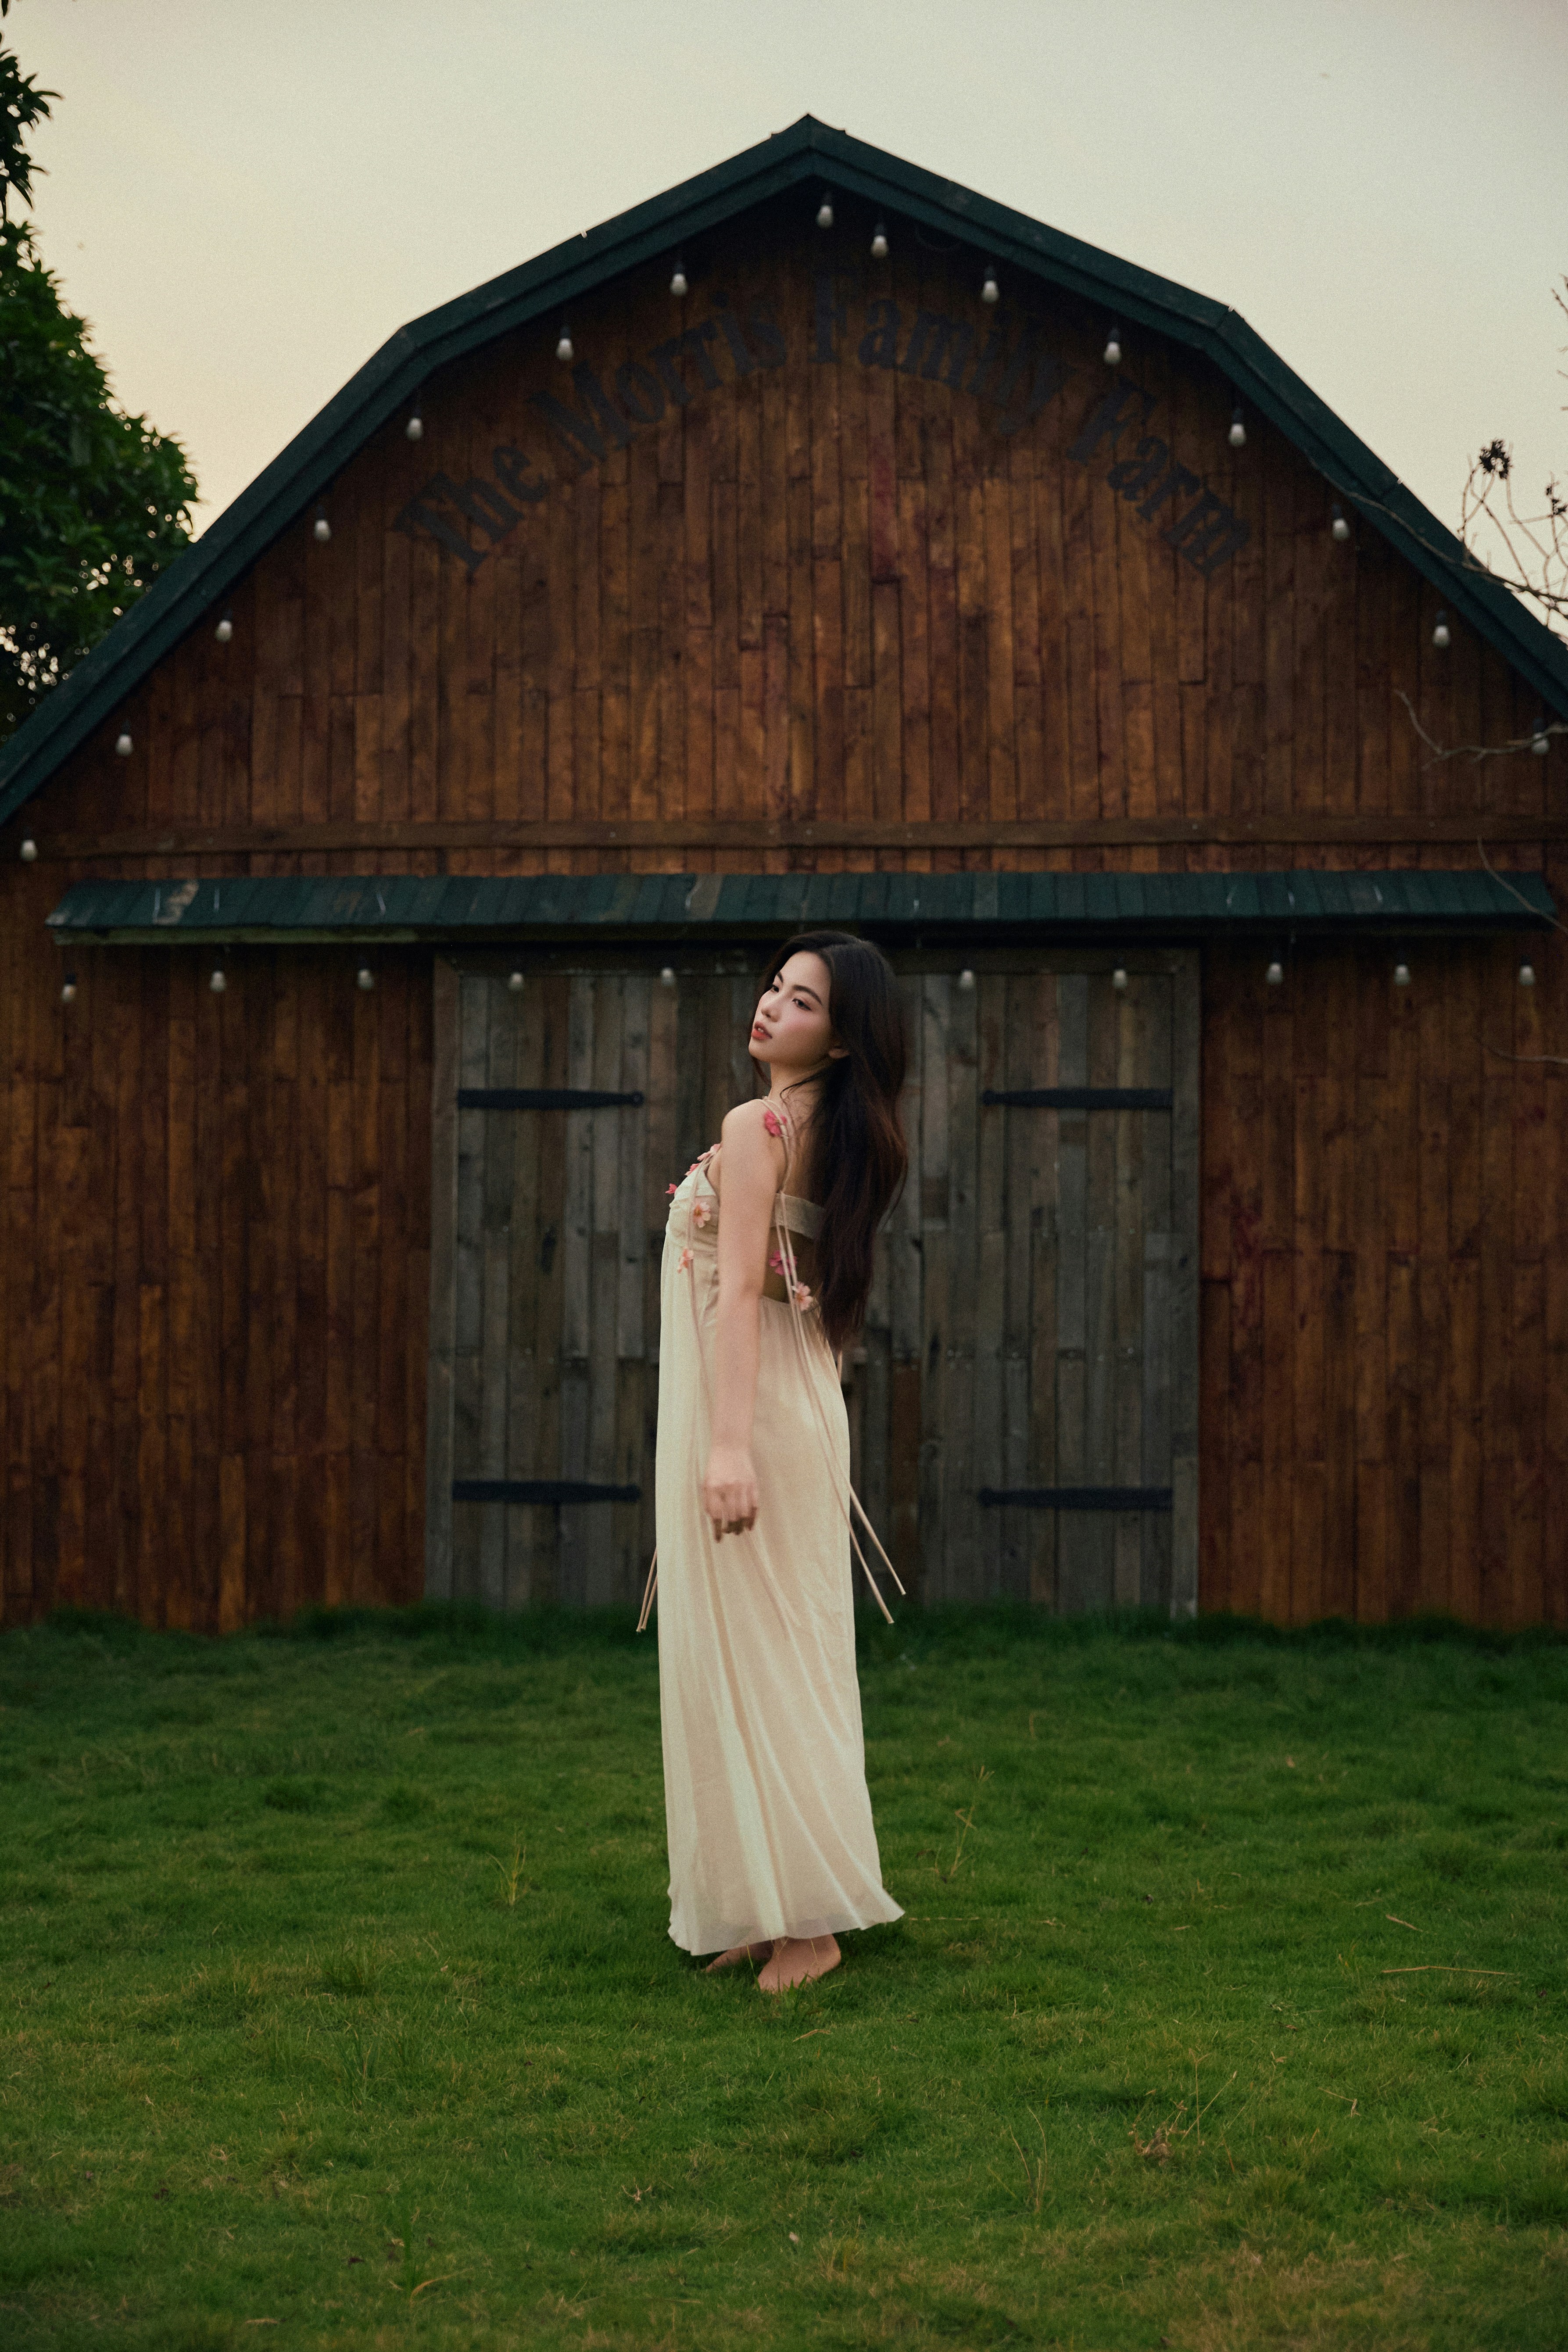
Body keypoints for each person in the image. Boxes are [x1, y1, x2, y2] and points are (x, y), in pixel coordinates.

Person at [642, 930, 909, 1992]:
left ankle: (811, 1925)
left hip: (749, 1415)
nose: (769, 1006)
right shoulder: (823, 1130)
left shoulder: (755, 1127)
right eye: (773, 986)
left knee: (765, 1659)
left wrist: (723, 1448)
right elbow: (785, 1289)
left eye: (799, 1002)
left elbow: (740, 1298)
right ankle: (766, 1900)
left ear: (838, 1040)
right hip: (793, 1405)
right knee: (761, 1657)